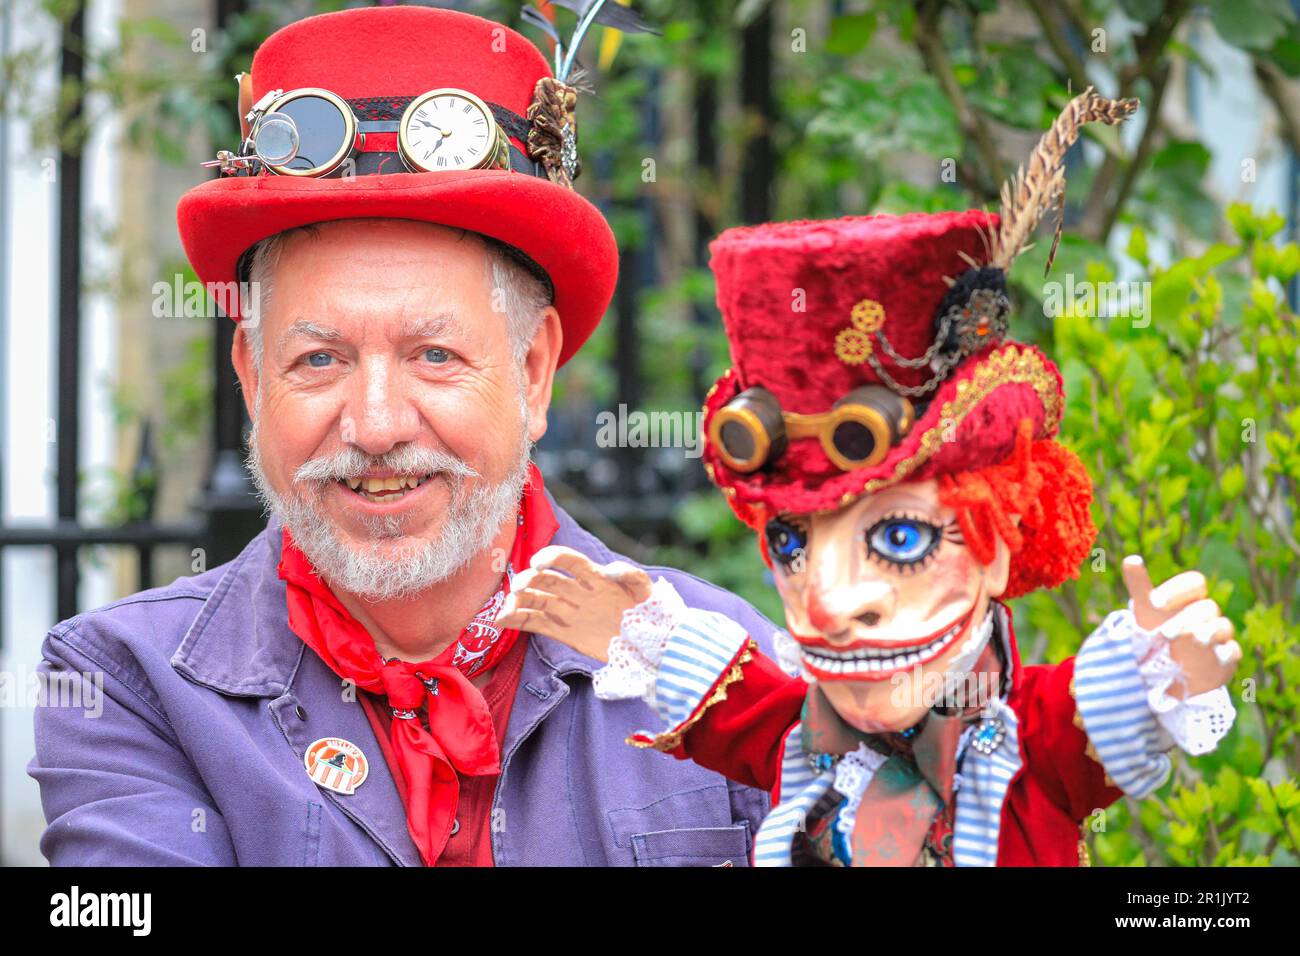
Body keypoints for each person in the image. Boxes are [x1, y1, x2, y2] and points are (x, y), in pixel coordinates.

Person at [29, 5, 774, 867]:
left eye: (434, 354)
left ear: (534, 372)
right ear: (251, 376)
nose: (375, 425)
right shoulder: (126, 684)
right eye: (317, 359)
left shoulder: (732, 669)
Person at [497, 90, 1243, 866]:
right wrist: (632, 632)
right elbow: (739, 706)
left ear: (995, 548)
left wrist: (1167, 669)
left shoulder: (1031, 742)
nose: (829, 603)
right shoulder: (805, 741)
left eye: (898, 536)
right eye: (791, 543)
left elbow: (1095, 718)